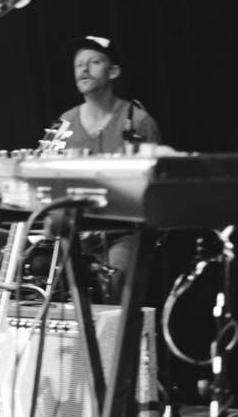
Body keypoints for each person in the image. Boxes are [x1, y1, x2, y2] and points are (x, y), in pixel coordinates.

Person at [40, 35, 163, 302]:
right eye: (78, 65)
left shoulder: (137, 121)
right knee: (38, 272)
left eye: (94, 62)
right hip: (73, 232)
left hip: (122, 233)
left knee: (115, 279)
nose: (84, 69)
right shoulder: (64, 124)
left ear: (114, 71)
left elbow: (155, 188)